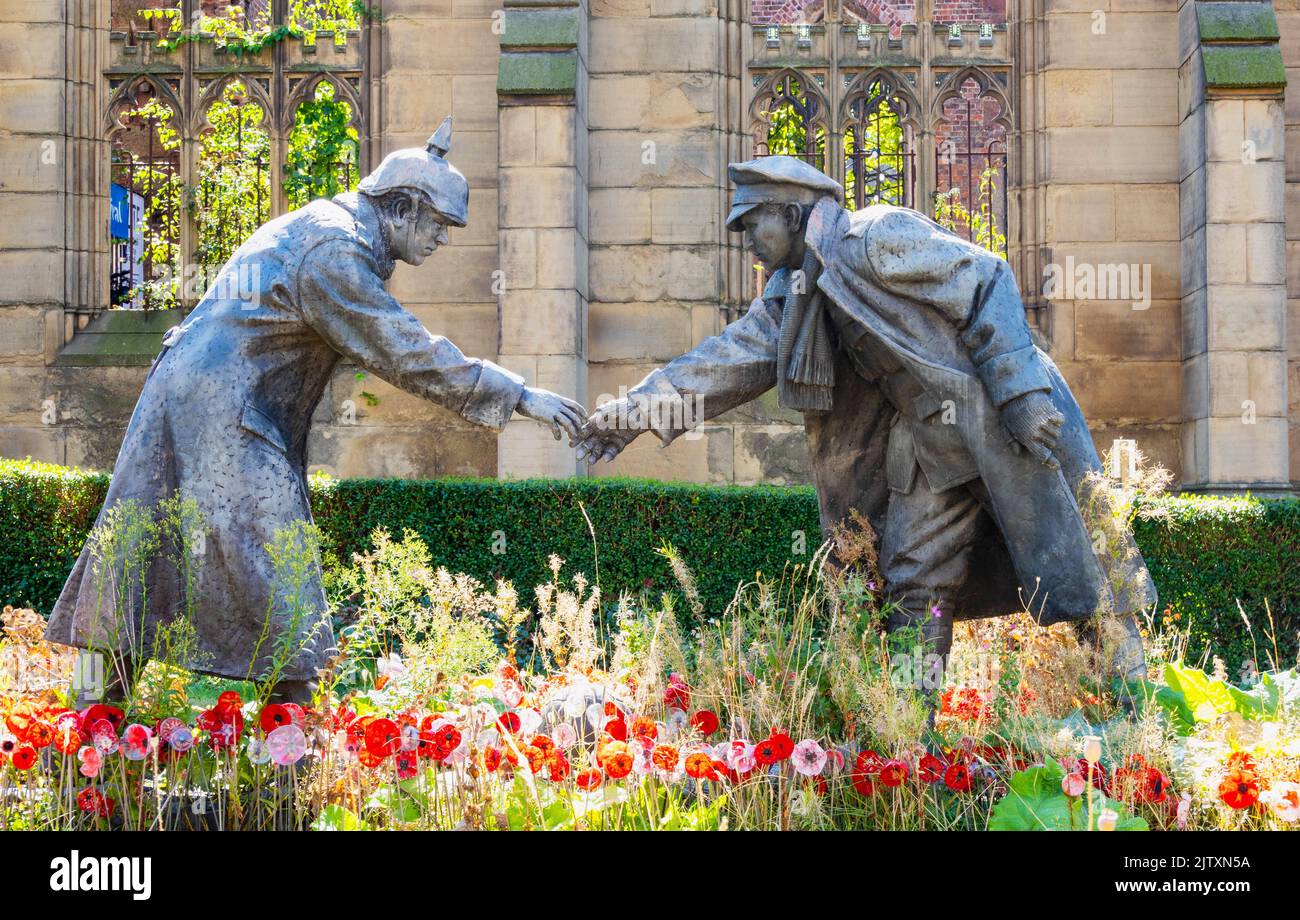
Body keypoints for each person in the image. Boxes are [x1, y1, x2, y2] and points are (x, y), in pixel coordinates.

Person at [48, 118, 586, 705]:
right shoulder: (335, 249)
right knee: (281, 587)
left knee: (141, 563)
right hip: (224, 413)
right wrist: (519, 394)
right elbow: (403, 349)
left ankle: (89, 733)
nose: (443, 240)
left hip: (198, 401)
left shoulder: (327, 228)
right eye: (438, 224)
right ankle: (291, 747)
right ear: (402, 207)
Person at [576, 155, 1152, 695]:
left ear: (791, 214)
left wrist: (1022, 395)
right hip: (928, 444)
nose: (747, 242)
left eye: (752, 224)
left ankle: (1137, 706)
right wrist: (634, 411)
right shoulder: (794, 290)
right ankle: (910, 727)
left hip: (999, 417)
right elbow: (727, 359)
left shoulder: (875, 237)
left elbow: (986, 279)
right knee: (912, 579)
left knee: (1080, 563)